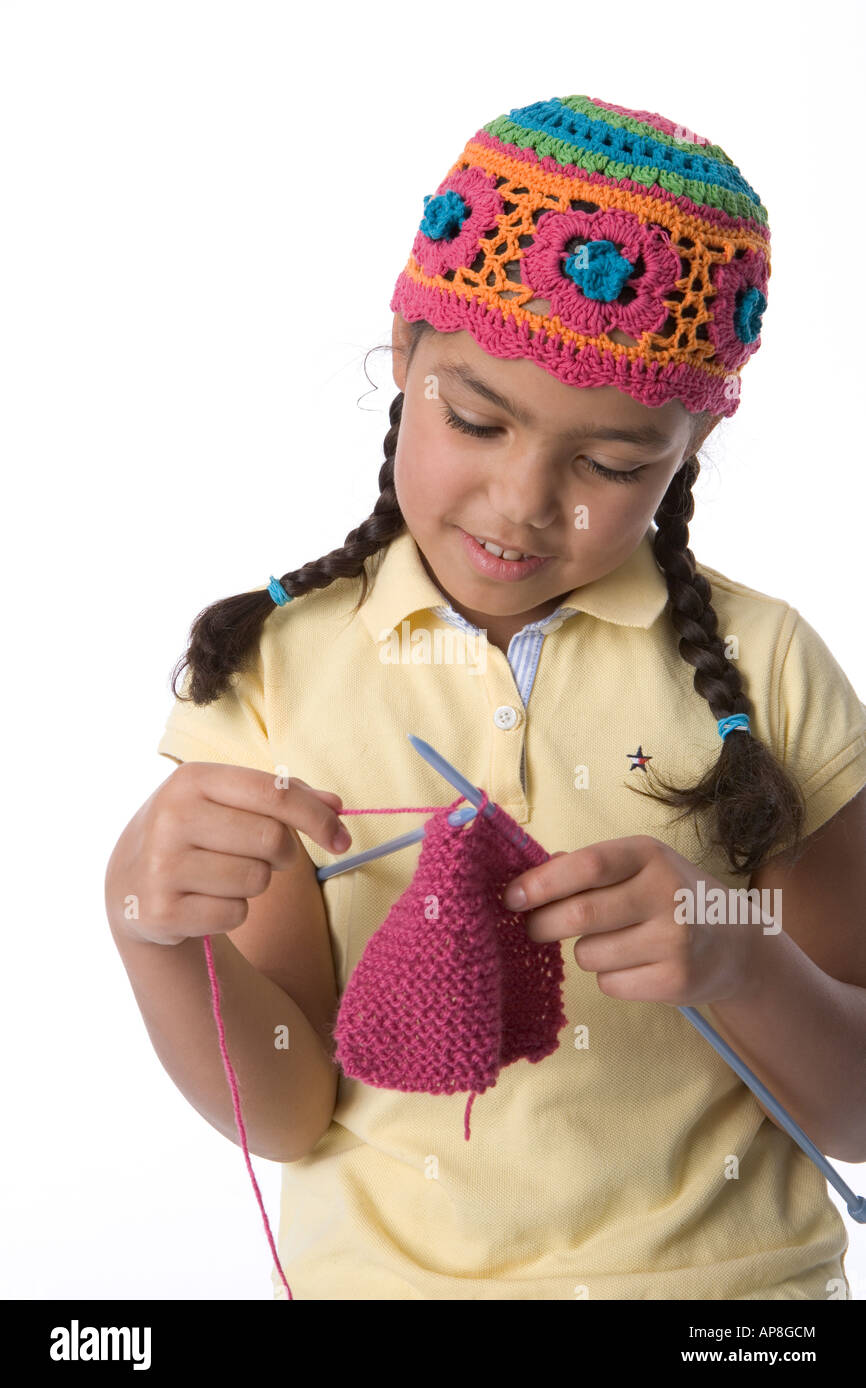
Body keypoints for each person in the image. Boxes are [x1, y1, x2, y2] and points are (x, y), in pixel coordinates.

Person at [105, 92, 866, 1300]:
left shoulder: (765, 667)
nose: (521, 501)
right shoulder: (275, 674)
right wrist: (153, 939)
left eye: (612, 463)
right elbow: (292, 1109)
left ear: (687, 448)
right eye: (473, 419)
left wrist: (737, 955)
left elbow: (855, 1108)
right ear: (403, 351)